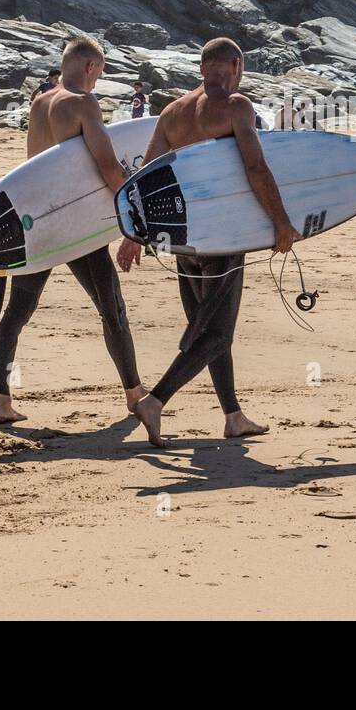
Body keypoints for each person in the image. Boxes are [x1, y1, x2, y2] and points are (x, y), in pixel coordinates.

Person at [117, 37, 299, 448]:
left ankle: (233, 416)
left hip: (184, 240)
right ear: (235, 65)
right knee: (216, 334)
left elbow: (145, 177)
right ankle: (155, 401)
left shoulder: (171, 113)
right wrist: (281, 223)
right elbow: (255, 167)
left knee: (208, 329)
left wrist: (134, 233)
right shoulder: (237, 107)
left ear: (202, 68)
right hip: (222, 235)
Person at [0, 35, 147, 425]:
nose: (97, 82)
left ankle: (1, 402)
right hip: (73, 223)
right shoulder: (82, 103)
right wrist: (130, 209)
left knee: (18, 311)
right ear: (90, 67)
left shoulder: (40, 102)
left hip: (34, 219)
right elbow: (108, 167)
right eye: (100, 73)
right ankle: (134, 394)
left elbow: (37, 164)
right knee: (113, 310)